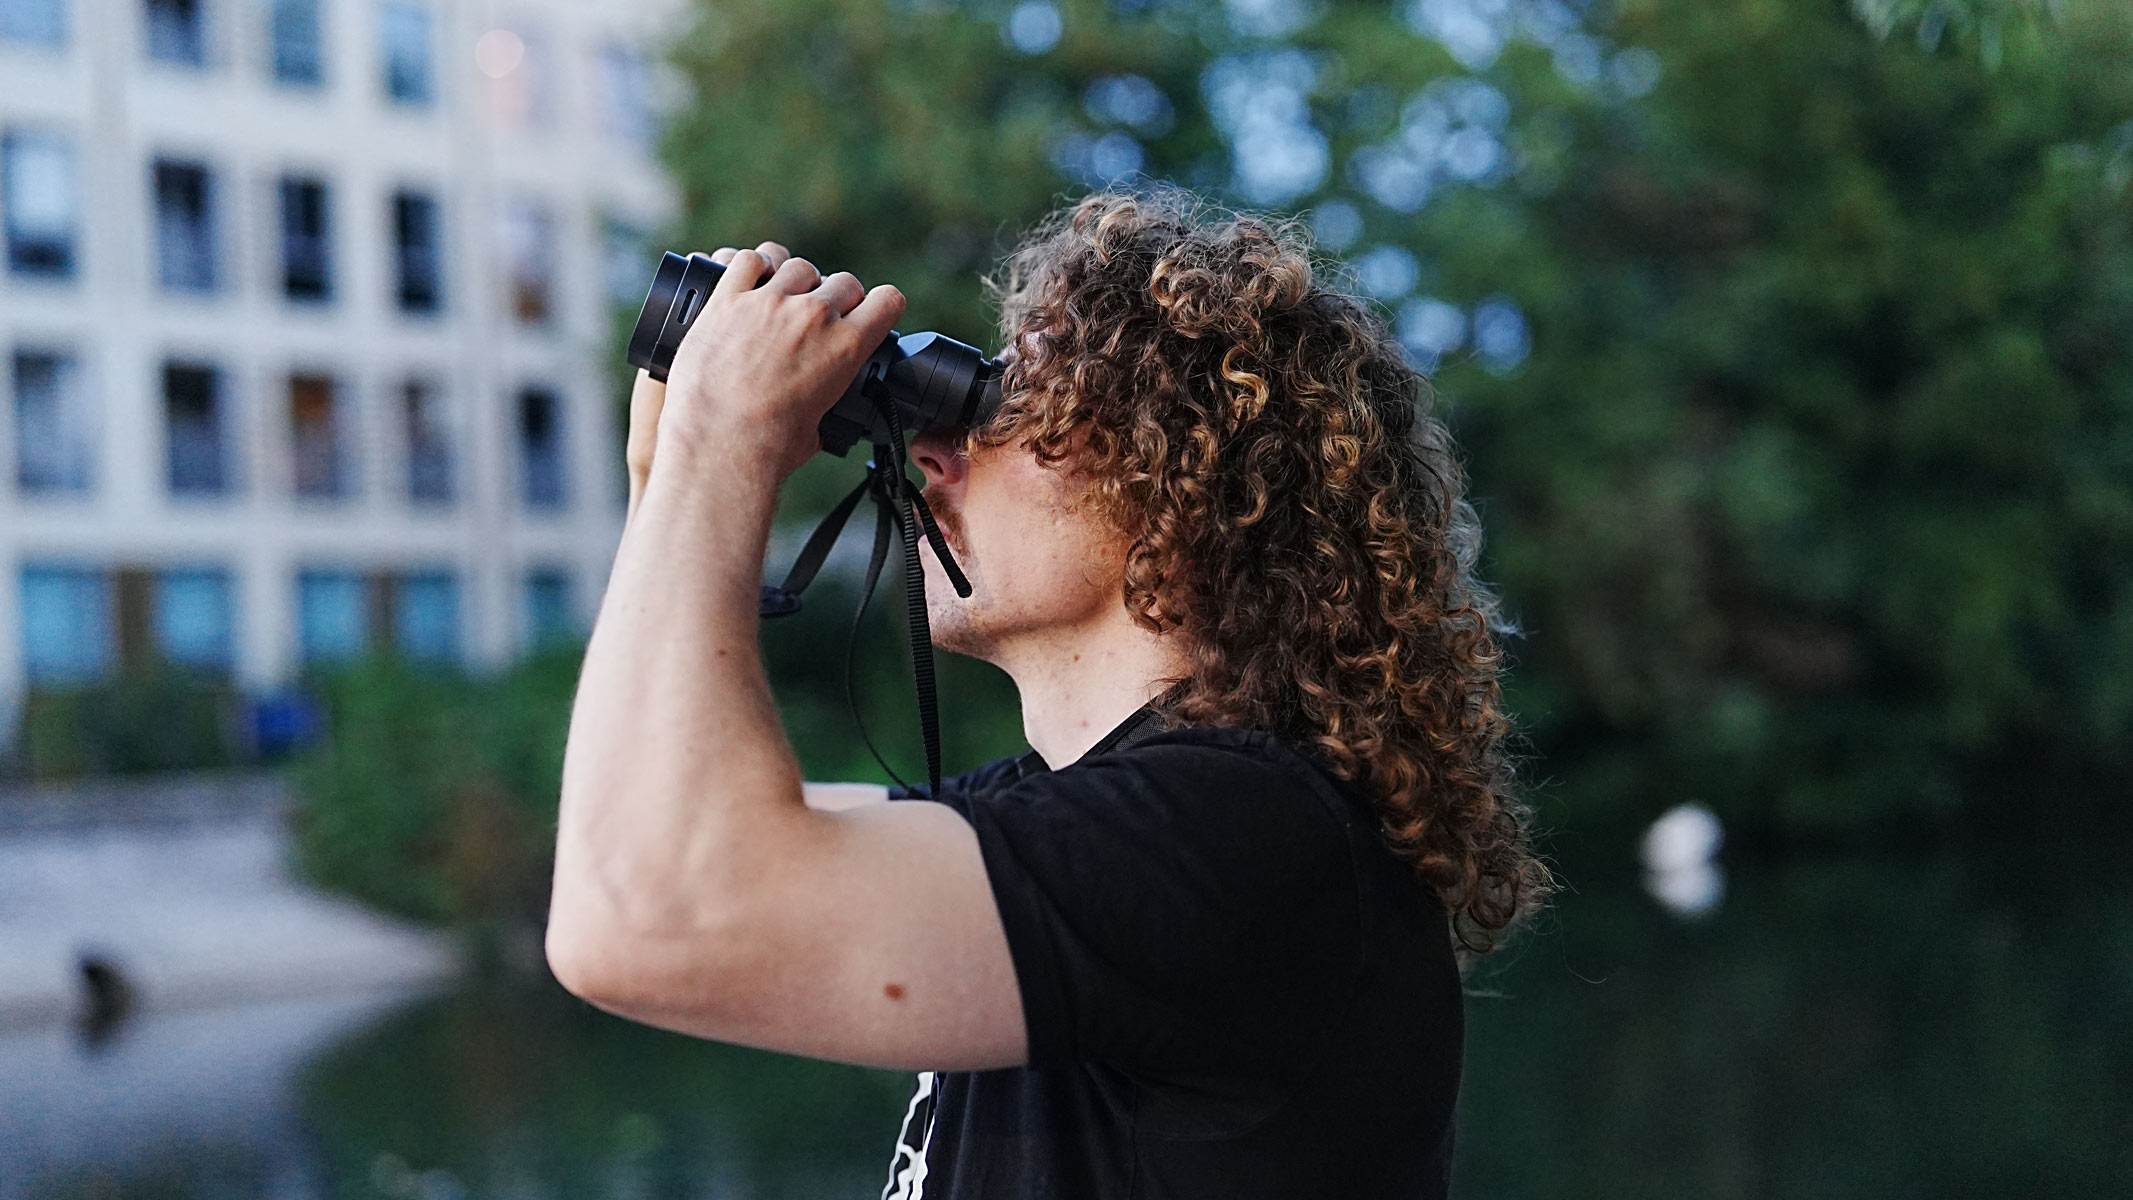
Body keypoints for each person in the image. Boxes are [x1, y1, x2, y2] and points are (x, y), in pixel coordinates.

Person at [547, 188, 1550, 1200]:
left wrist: (720, 453)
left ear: (1182, 496)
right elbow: (642, 833)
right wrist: (664, 477)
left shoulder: (1250, 841)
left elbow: (646, 913)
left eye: (1016, 412)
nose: (935, 453)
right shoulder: (1108, 822)